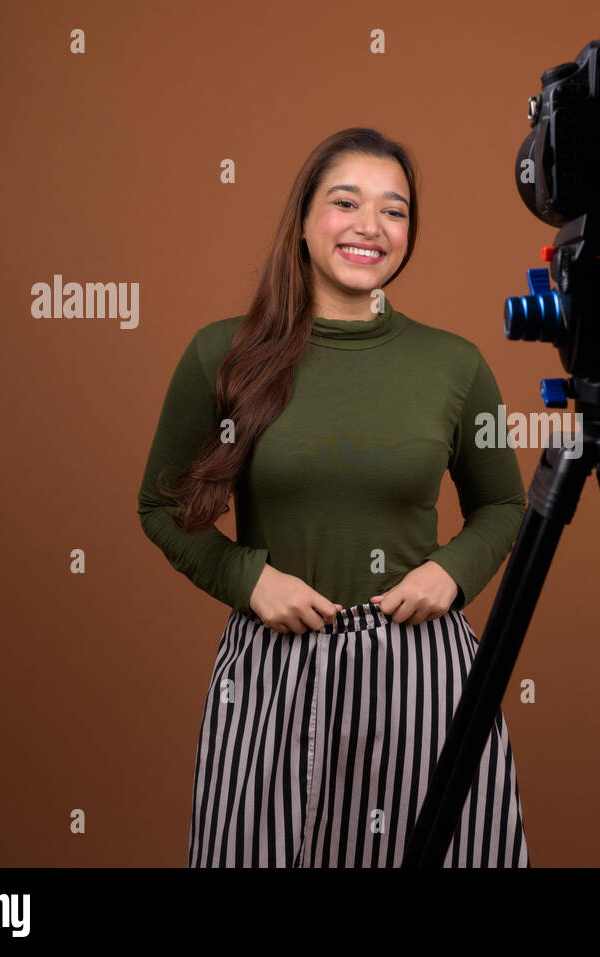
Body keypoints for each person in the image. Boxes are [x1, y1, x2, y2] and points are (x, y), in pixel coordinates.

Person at [137, 127, 531, 867]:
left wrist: (453, 571)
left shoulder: (454, 363)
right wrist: (248, 577)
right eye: (345, 202)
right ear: (304, 218)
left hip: (425, 679)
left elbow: (503, 505)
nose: (370, 227)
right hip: (273, 674)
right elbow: (158, 506)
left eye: (395, 210)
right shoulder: (221, 353)